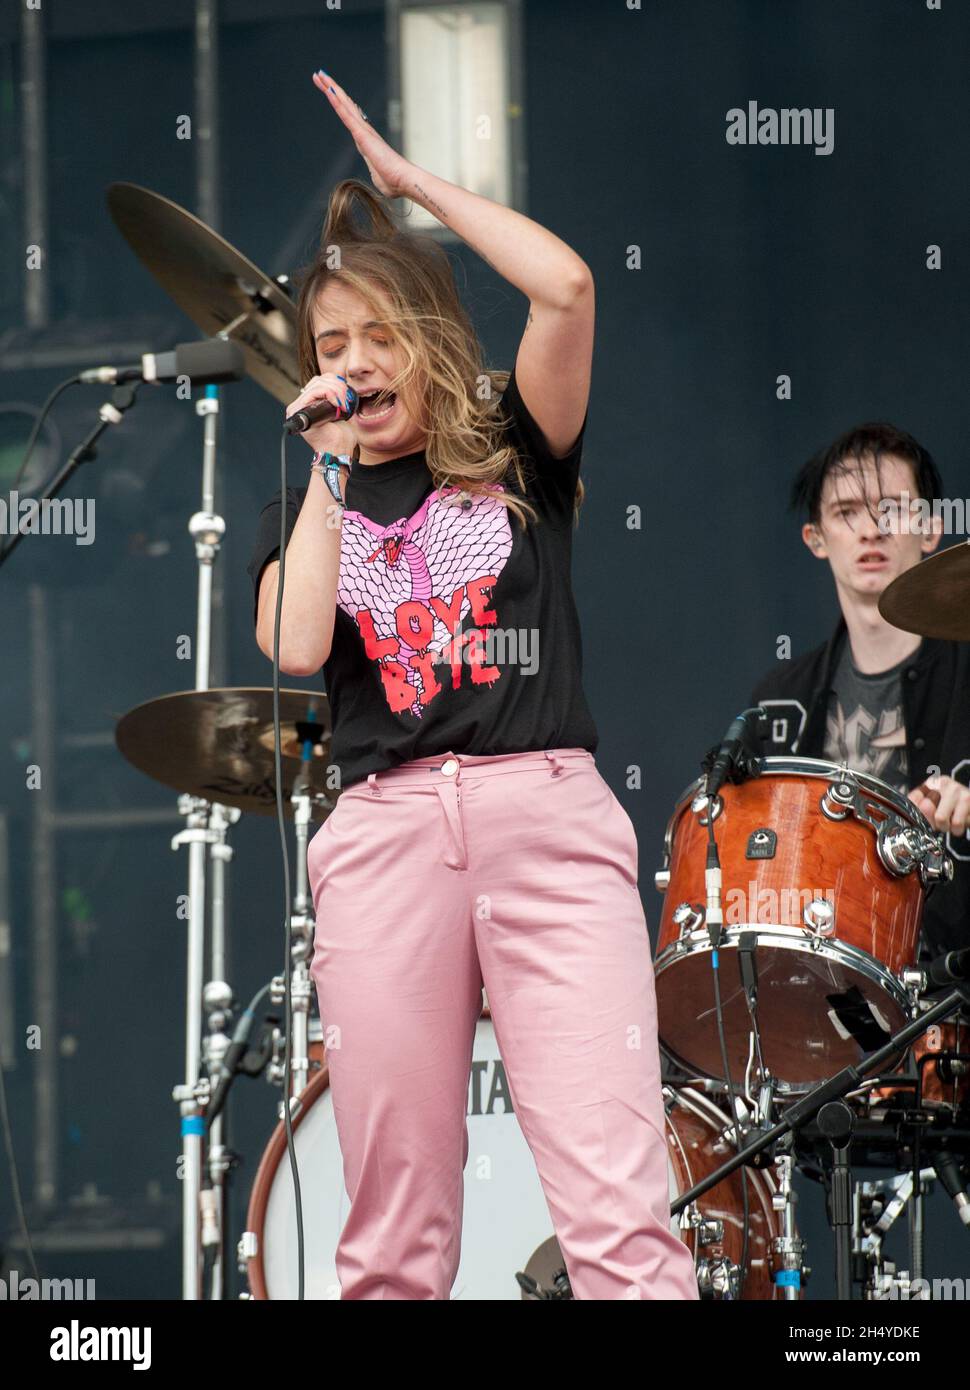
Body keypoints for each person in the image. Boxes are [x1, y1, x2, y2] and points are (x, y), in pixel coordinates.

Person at [245, 69, 698, 1301]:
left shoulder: (514, 445)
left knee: (617, 1211)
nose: (349, 362)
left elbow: (566, 287)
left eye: (373, 336)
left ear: (424, 336)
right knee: (390, 1235)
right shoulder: (311, 503)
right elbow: (292, 647)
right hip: (386, 833)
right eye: (327, 346)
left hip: (543, 818)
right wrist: (328, 472)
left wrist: (409, 187)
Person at [748, 423, 970, 962]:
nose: (871, 530)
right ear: (816, 539)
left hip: (950, 989)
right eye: (847, 512)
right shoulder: (781, 697)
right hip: (829, 989)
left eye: (892, 509)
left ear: (931, 530)